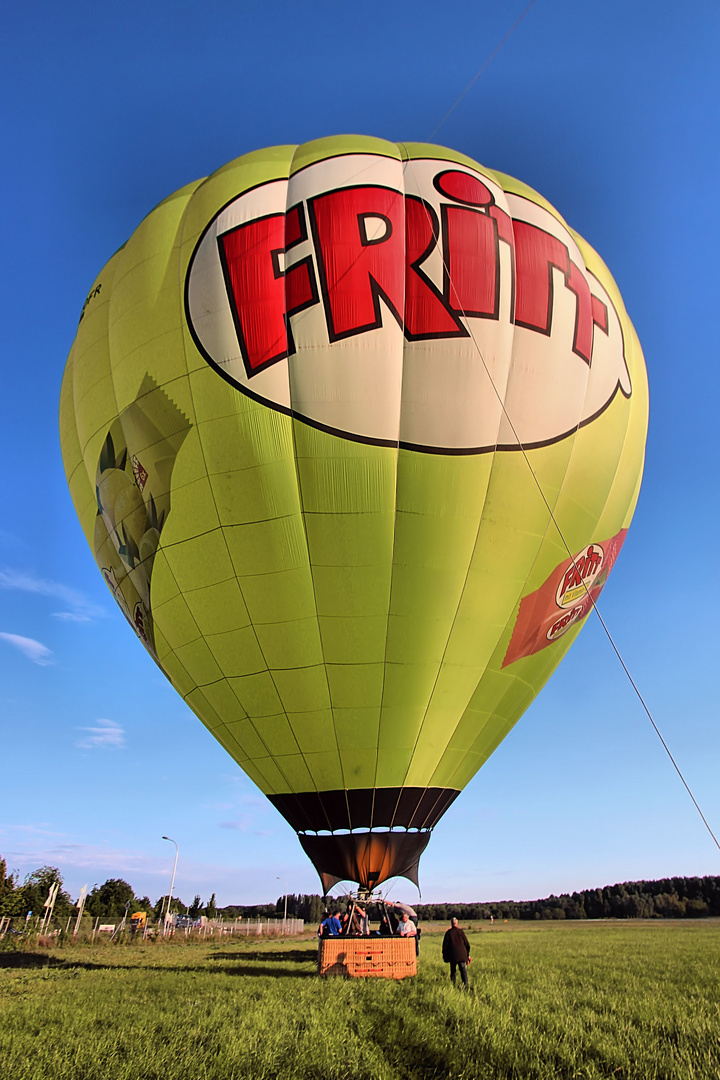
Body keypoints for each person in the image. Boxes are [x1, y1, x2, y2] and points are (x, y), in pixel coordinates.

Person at [442, 917, 471, 989]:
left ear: (451, 924)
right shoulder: (461, 932)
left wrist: (445, 956)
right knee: (463, 971)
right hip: (462, 955)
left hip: (453, 956)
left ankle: (453, 985)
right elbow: (467, 944)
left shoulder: (448, 933)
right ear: (457, 923)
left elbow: (445, 946)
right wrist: (467, 955)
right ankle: (466, 985)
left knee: (453, 971)